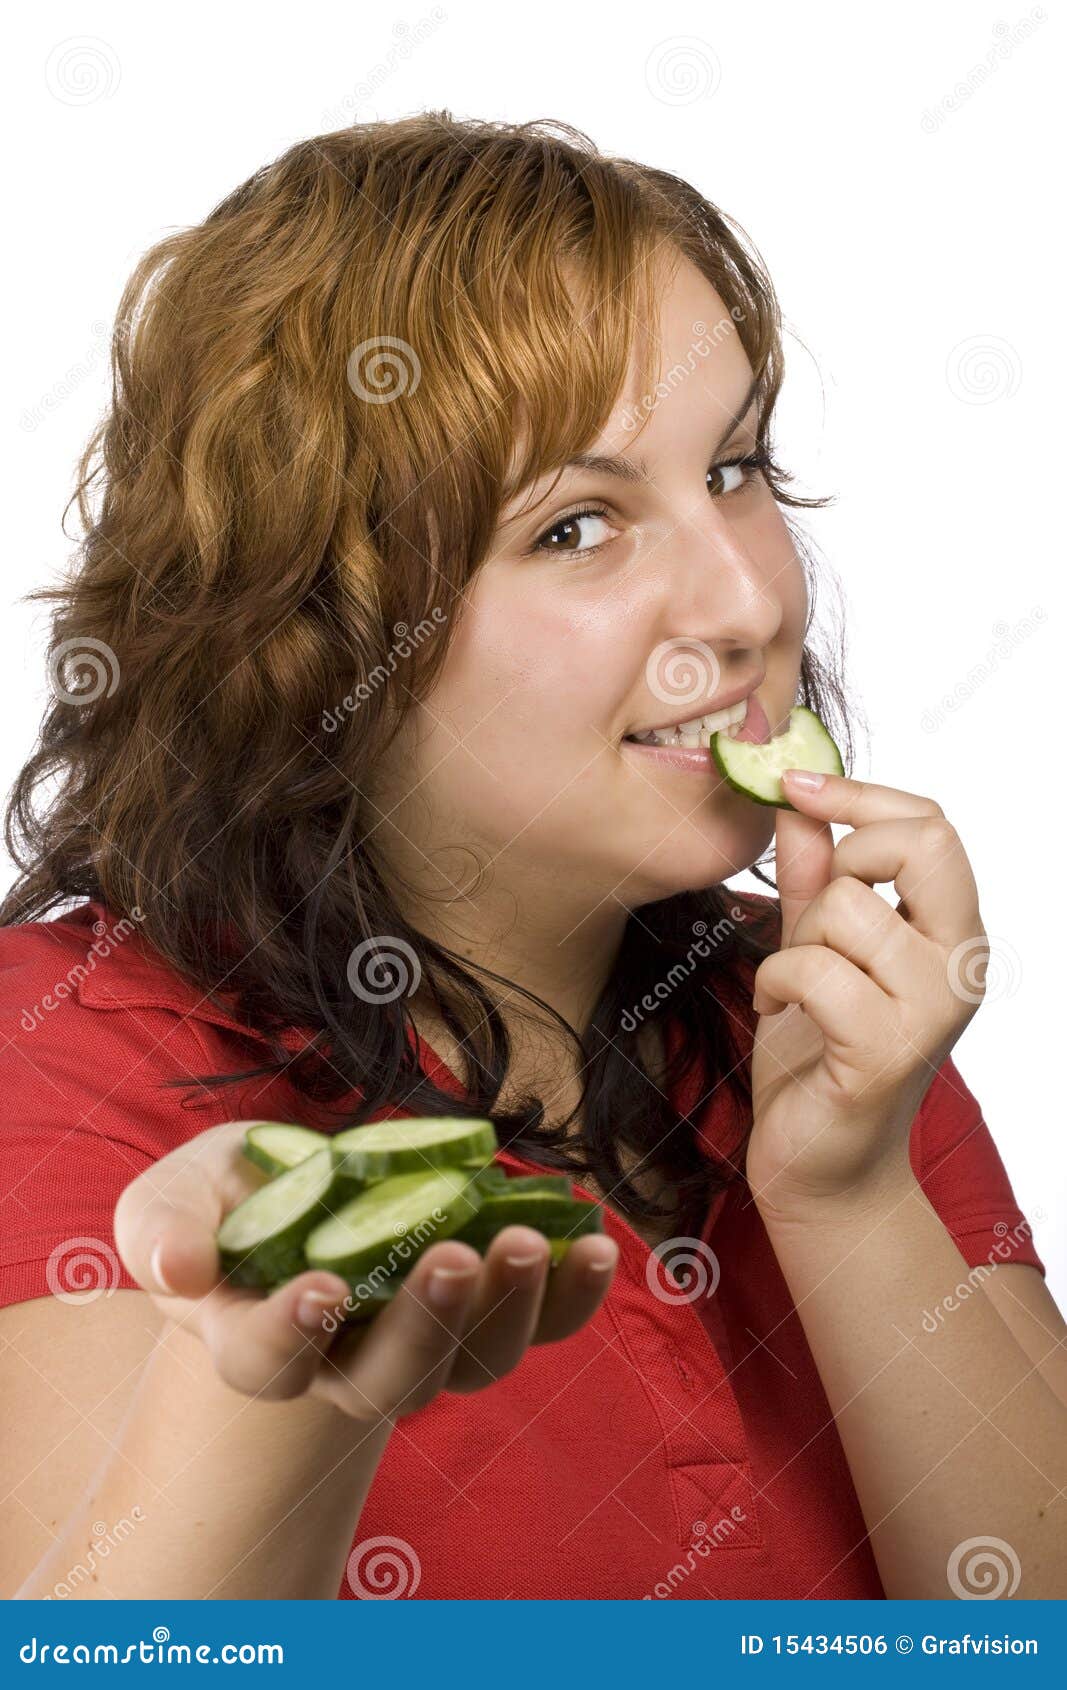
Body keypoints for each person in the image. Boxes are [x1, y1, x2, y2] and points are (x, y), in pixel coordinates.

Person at [1, 113, 1064, 1602]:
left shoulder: (824, 1020)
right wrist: (282, 1381)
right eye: (578, 525)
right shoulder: (56, 1048)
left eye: (738, 465)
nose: (747, 599)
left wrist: (848, 1191)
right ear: (313, 636)